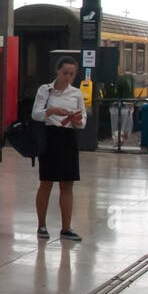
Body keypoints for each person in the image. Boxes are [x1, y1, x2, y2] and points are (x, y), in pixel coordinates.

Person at [32, 56, 86, 242]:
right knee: (46, 182)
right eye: (65, 73)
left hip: (68, 137)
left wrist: (77, 120)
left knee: (67, 184)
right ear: (58, 71)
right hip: (49, 137)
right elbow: (36, 114)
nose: (68, 77)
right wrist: (52, 111)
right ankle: (41, 225)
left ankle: (66, 228)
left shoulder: (76, 93)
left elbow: (83, 120)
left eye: (71, 74)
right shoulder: (45, 90)